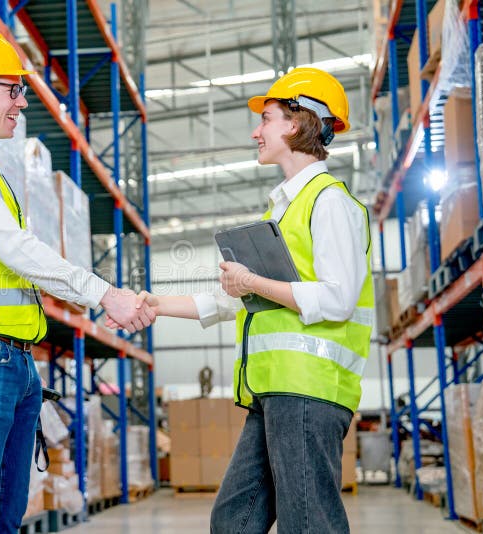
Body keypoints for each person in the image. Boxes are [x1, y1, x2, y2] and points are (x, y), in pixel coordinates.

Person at [0, 28, 155, 533]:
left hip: (14, 360)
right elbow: (17, 250)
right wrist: (105, 295)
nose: (20, 102)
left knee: (4, 517)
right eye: (12, 89)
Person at [123, 68, 373, 533]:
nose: (256, 131)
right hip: (272, 392)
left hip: (309, 390)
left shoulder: (330, 202)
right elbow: (233, 298)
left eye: (267, 118)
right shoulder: (281, 210)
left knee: (307, 521)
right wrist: (156, 304)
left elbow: (336, 299)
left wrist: (254, 282)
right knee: (235, 517)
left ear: (296, 125)